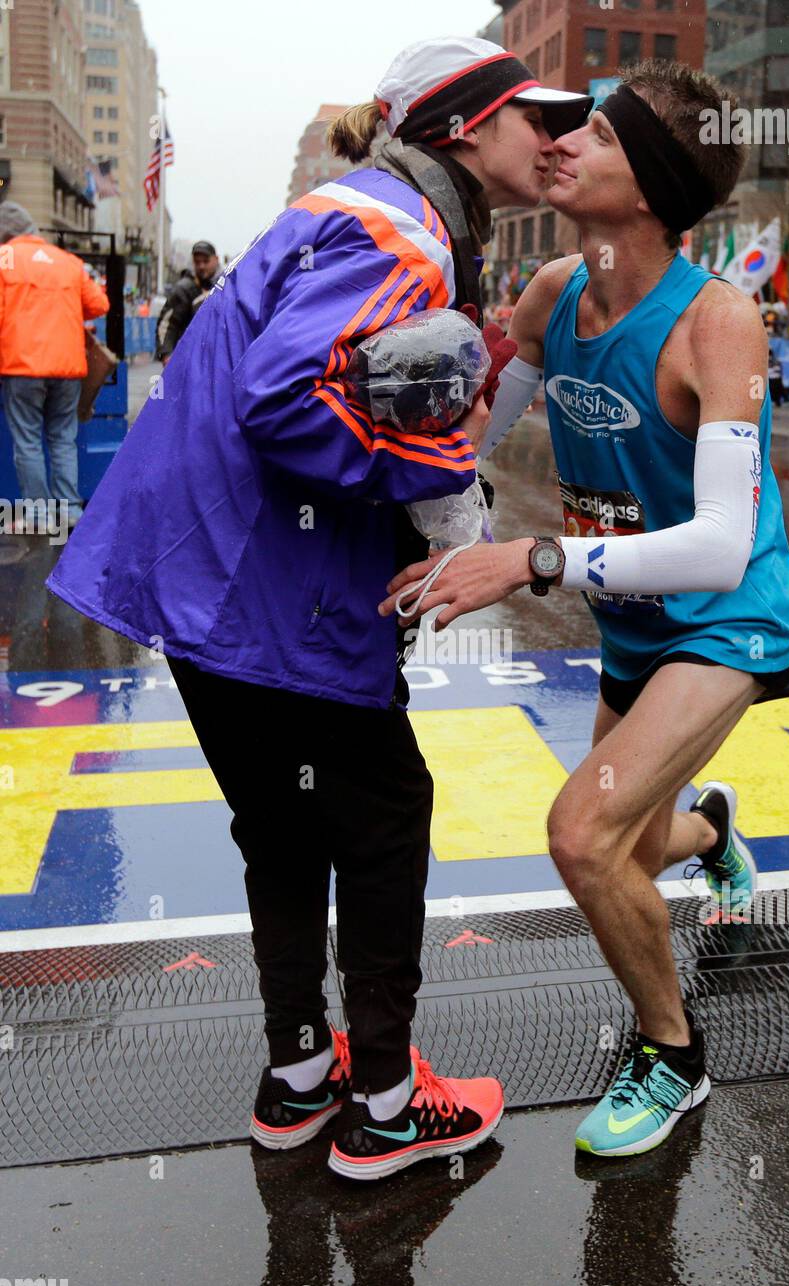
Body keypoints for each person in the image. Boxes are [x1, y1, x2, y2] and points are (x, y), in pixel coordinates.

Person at [47, 36, 592, 1181]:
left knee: (283, 831)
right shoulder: (397, 224)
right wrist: (439, 494)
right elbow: (291, 398)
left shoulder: (353, 206)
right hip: (265, 593)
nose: (550, 135)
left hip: (201, 579)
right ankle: (388, 1104)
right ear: (460, 126)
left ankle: (298, 1075)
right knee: (386, 813)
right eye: (528, 113)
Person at [382, 57, 789, 1159]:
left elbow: (715, 547)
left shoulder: (718, 321)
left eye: (602, 139)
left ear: (652, 189)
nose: (564, 144)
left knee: (580, 833)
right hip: (631, 620)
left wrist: (528, 558)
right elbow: (457, 456)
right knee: (629, 835)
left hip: (724, 620)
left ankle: (672, 1055)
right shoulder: (546, 297)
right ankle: (714, 830)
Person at [0, 202, 110, 530]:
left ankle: (38, 515)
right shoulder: (68, 262)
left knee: (28, 442)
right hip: (67, 367)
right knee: (63, 438)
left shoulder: (4, 260)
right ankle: (70, 512)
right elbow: (99, 304)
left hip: (22, 366)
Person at [155, 240, 222, 365]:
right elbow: (167, 324)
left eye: (205, 261)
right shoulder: (183, 290)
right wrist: (166, 354)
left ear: (216, 259)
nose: (201, 266)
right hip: (188, 362)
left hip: (216, 363)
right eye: (197, 262)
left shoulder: (225, 287)